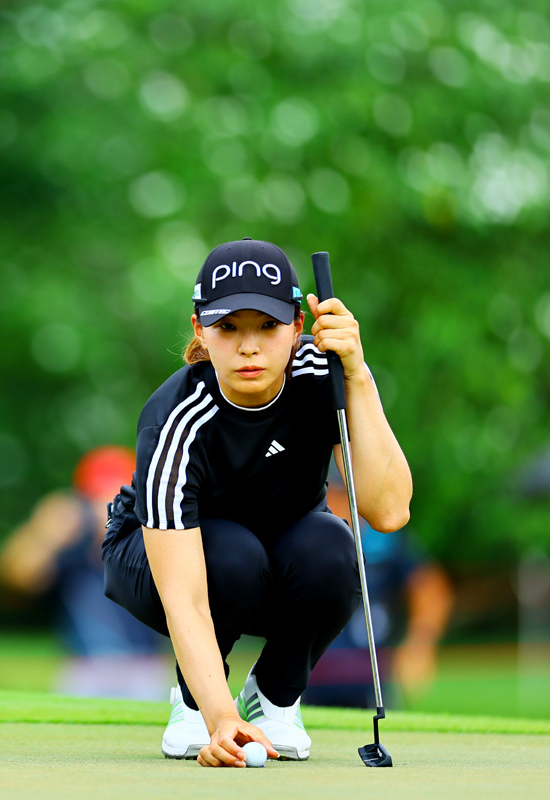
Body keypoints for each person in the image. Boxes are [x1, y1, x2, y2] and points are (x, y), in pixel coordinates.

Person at [103, 238, 412, 767]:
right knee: (232, 552)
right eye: (229, 328)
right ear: (201, 329)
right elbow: (186, 599)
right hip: (155, 561)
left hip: (275, 555)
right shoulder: (175, 416)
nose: (249, 347)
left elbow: (388, 511)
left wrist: (359, 375)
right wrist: (219, 717)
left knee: (332, 545)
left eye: (268, 326)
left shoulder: (325, 376)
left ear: (297, 326)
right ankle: (194, 705)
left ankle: (274, 699)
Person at [0, 446, 168, 699]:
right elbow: (16, 575)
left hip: (144, 663)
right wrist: (46, 532)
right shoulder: (72, 541)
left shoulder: (156, 532)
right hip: (82, 665)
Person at [303, 467, 452, 708]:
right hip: (309, 677)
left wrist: (419, 644)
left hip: (370, 677)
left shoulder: (384, 540)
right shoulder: (305, 537)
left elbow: (429, 587)